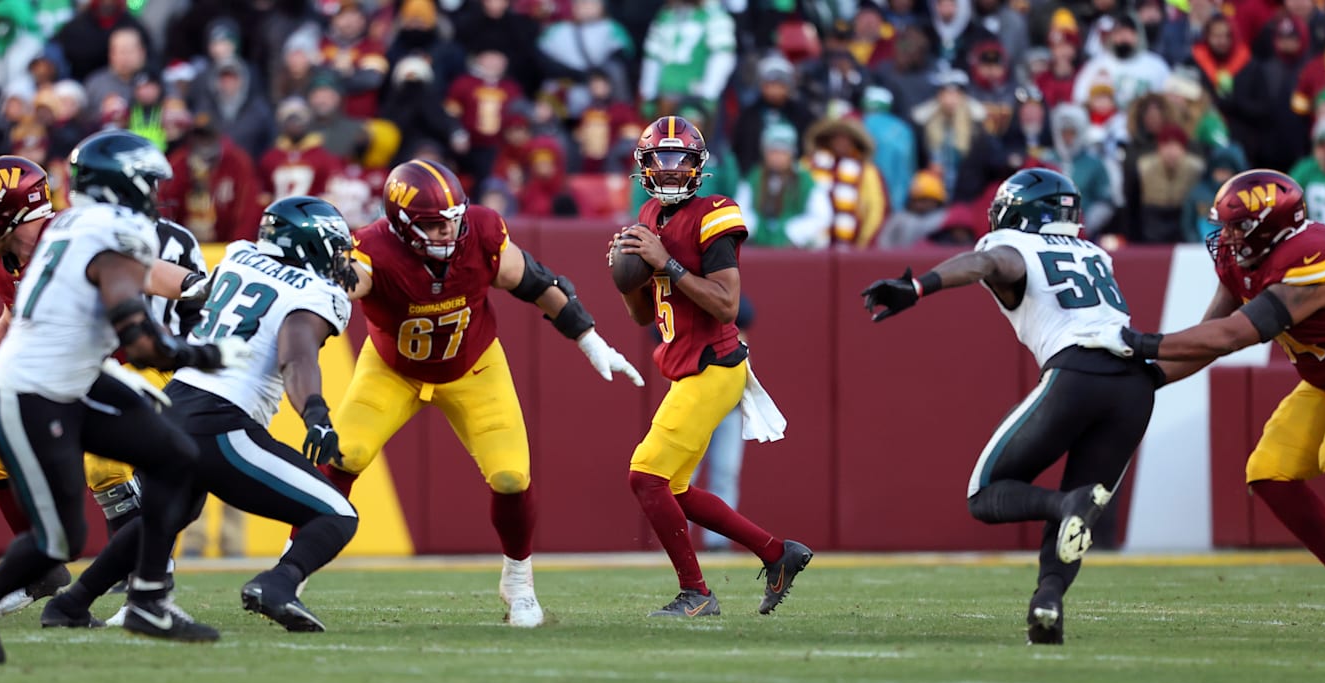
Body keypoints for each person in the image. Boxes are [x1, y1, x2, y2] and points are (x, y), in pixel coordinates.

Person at [0, 130, 251, 664]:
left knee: (178, 455)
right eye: (148, 183)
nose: (155, 195)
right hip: (31, 391)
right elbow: (137, 333)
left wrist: (203, 288)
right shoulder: (100, 232)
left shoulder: (78, 226)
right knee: (61, 538)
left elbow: (143, 277)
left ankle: (149, 598)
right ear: (125, 185)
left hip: (77, 378)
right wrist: (202, 355)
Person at [321, 158, 644, 628]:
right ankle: (294, 567)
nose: (447, 234)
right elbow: (345, 281)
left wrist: (589, 338)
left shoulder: (482, 232)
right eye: (433, 225)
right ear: (401, 224)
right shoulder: (372, 247)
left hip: (474, 366)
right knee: (344, 453)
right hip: (394, 370)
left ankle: (519, 582)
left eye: (452, 220)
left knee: (512, 475)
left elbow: (536, 282)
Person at [861, 168, 1159, 645]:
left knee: (986, 494)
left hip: (1078, 372)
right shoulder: (1096, 253)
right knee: (1077, 515)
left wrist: (920, 287)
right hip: (1136, 385)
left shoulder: (1017, 246)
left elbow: (990, 264)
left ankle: (1064, 505)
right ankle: (1048, 601)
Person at [45, 196, 361, 633]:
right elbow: (296, 355)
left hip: (172, 408)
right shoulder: (315, 292)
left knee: (167, 514)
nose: (340, 258)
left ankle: (71, 604)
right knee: (337, 514)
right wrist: (315, 412)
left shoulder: (239, 255)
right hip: (221, 421)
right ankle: (279, 584)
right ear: (306, 245)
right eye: (333, 246)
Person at [1078, 169, 1325, 576]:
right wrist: (1144, 378)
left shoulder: (1312, 257)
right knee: (1270, 472)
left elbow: (1232, 335)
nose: (1228, 237)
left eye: (1238, 227)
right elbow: (1207, 337)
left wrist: (1136, 341)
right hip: (1323, 380)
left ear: (1272, 225)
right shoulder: (1245, 259)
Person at [611, 115, 811, 618]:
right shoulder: (649, 213)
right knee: (676, 487)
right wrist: (626, 275)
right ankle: (776, 552)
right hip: (688, 366)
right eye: (662, 159)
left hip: (716, 364)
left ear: (699, 166)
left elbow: (726, 304)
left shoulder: (716, 212)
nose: (671, 170)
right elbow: (642, 314)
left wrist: (666, 264)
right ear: (644, 165)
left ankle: (696, 592)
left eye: (681, 160)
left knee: (645, 476)